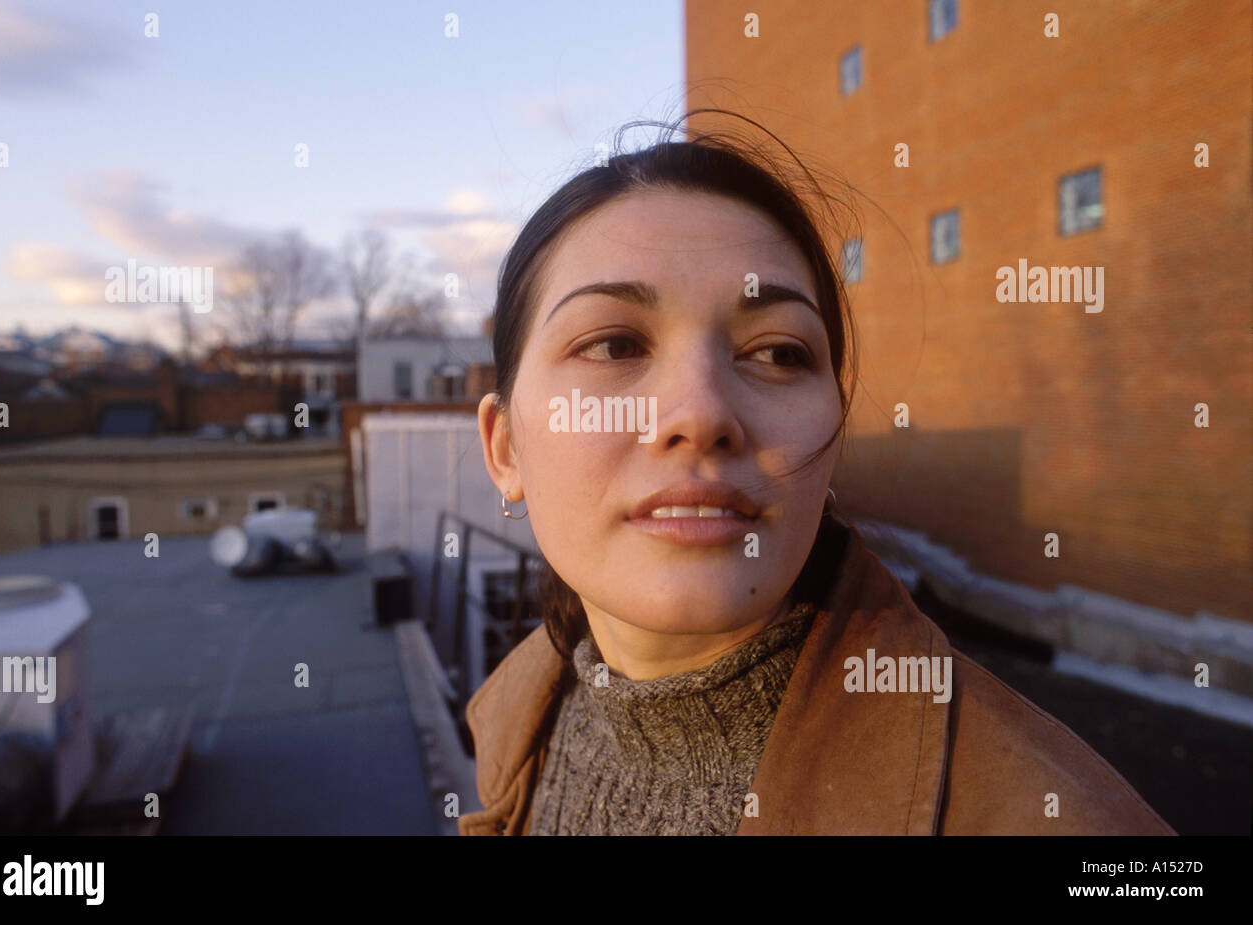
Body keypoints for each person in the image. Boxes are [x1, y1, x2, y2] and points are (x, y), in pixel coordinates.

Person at [464, 110, 1174, 836]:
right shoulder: (514, 736)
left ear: (833, 436)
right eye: (614, 345)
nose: (701, 413)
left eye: (776, 353)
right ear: (505, 448)